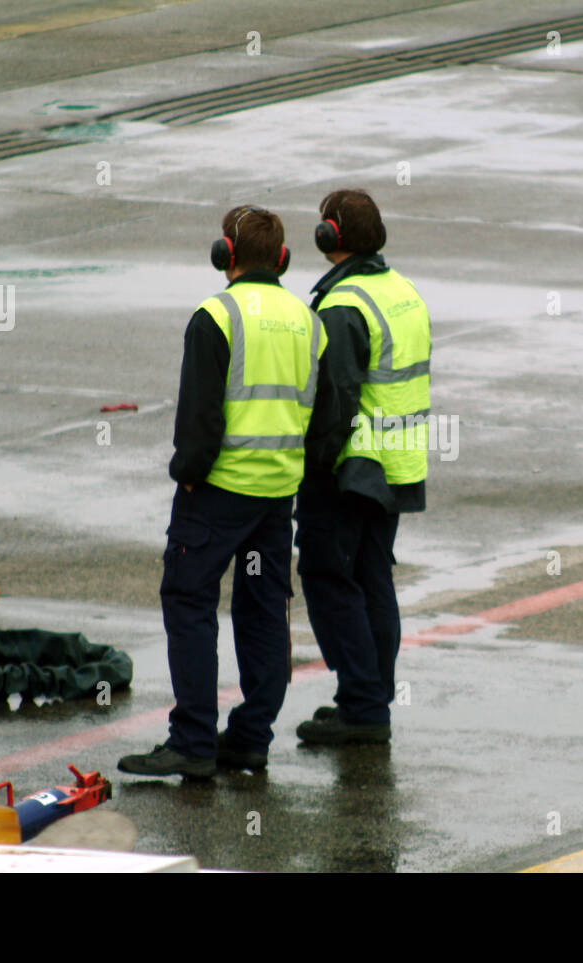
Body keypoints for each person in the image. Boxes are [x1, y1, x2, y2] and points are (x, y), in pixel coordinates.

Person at [120, 205, 338, 779]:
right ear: (283, 258)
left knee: (190, 602)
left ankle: (192, 740)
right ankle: (250, 737)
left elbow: (199, 416)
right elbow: (328, 419)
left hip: (216, 493)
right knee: (263, 610)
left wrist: (188, 472)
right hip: (274, 498)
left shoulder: (215, 316)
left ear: (226, 255)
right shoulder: (309, 321)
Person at [294, 188, 431, 745]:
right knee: (373, 578)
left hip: (352, 467)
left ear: (330, 237)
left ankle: (364, 706)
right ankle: (368, 698)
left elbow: (337, 399)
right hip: (396, 462)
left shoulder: (344, 305)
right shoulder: (402, 291)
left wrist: (314, 464)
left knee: (330, 577)